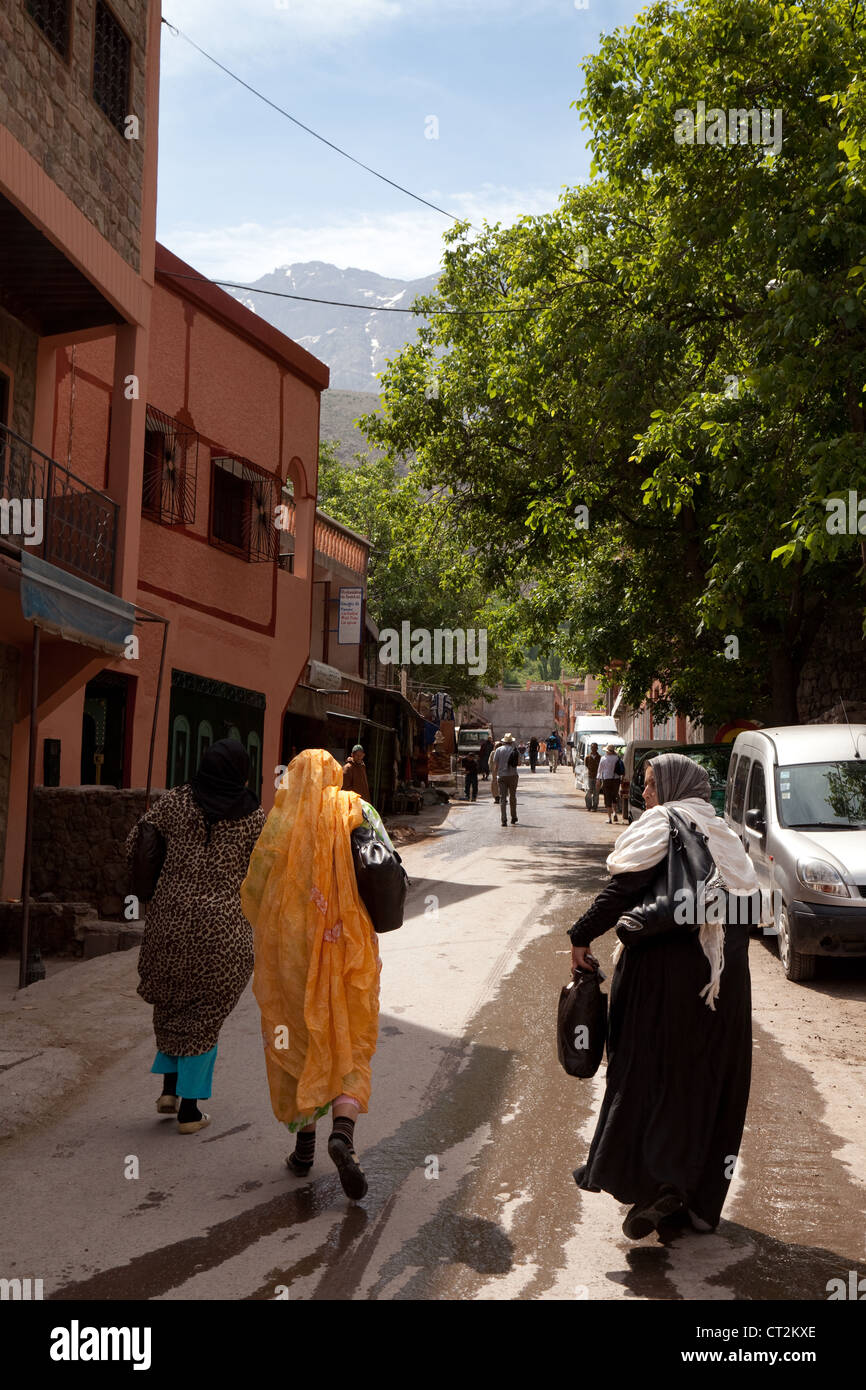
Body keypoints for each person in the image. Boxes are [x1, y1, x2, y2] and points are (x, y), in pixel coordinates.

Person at [567, 753, 758, 1239]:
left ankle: (654, 1185)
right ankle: (692, 1194)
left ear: (671, 787)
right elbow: (749, 914)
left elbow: (622, 889)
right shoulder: (725, 835)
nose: (644, 792)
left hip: (663, 979)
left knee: (647, 1071)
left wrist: (580, 935)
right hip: (724, 985)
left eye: (651, 783)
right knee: (706, 1078)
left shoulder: (664, 822)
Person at [241, 749, 390, 1200]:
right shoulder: (357, 810)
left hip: (289, 950)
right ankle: (341, 1134)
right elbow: (386, 867)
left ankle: (303, 1148)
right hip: (346, 944)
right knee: (347, 1036)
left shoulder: (279, 823)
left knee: (293, 1034)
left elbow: (256, 885)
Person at [127, 739, 265, 1134]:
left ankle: (168, 1090)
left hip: (168, 921)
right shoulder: (254, 817)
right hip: (224, 931)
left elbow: (136, 845)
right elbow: (267, 871)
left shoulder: (174, 801)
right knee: (205, 1015)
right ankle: (189, 1110)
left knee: (170, 1002)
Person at [490, 733, 519, 826]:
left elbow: (495, 765)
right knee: (512, 797)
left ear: (504, 741)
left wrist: (494, 777)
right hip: (513, 775)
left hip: (502, 776)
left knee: (503, 798)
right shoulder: (515, 750)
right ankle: (513, 817)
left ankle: (504, 819)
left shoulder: (498, 750)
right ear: (511, 742)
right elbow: (519, 763)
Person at [598, 744, 622, 823]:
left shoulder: (603, 758)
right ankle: (615, 813)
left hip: (607, 780)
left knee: (608, 798)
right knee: (614, 796)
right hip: (616, 780)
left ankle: (609, 818)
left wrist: (598, 780)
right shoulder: (617, 758)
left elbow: (600, 770)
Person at [584, 742, 601, 812]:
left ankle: (595, 807)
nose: (593, 749)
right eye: (592, 747)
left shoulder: (600, 758)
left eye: (595, 747)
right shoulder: (587, 758)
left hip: (597, 778)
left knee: (596, 793)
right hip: (590, 777)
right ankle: (588, 806)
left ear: (597, 749)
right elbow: (586, 766)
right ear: (590, 748)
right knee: (588, 792)